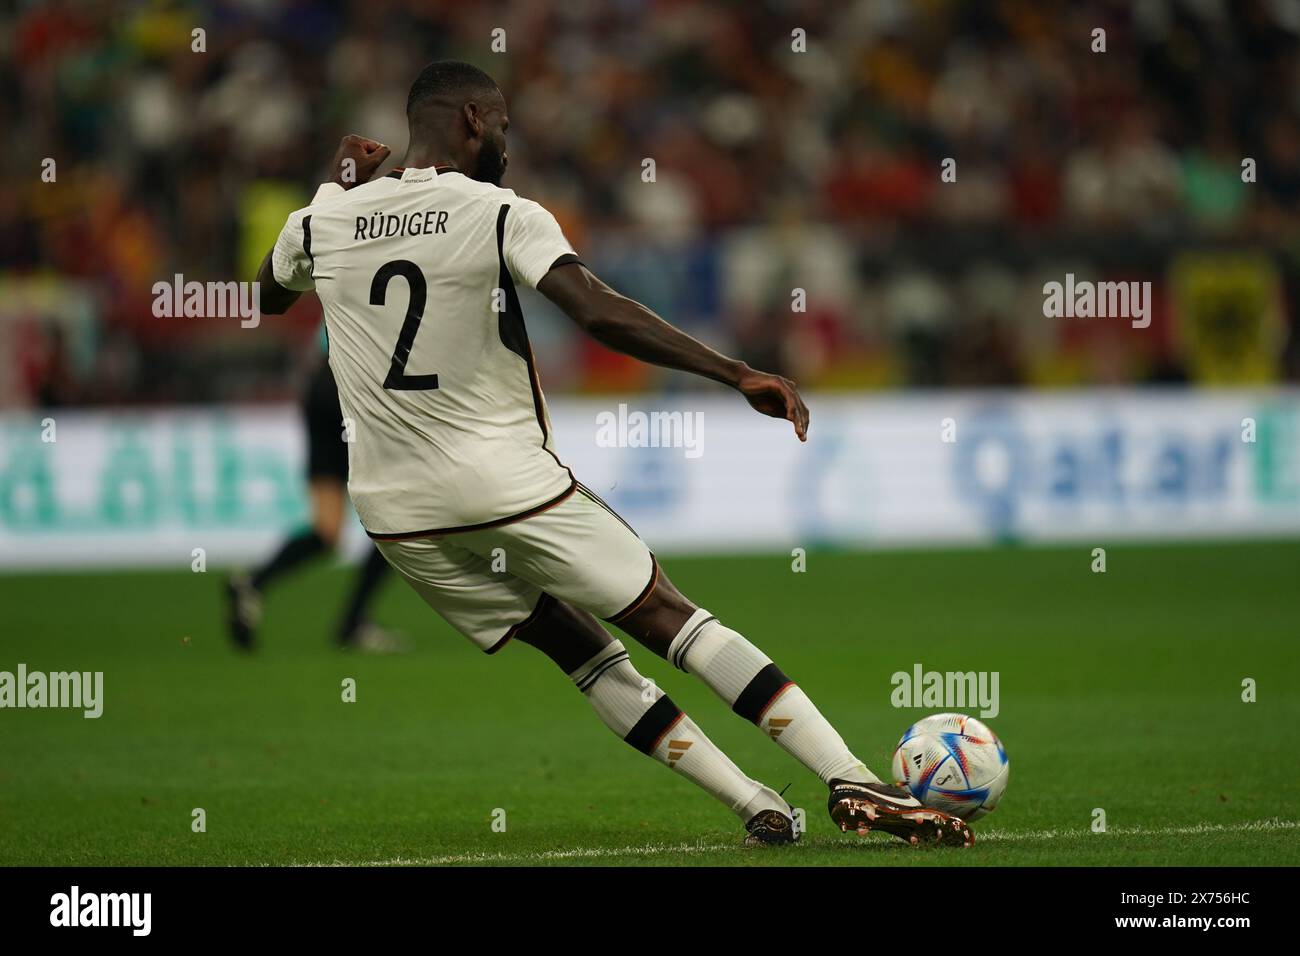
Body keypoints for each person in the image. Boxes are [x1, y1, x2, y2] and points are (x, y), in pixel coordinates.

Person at [253, 60, 972, 847]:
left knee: (580, 653)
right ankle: (851, 778)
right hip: (505, 482)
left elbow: (267, 297)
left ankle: (754, 804)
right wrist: (732, 372)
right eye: (502, 126)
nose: (506, 143)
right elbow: (594, 311)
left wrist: (336, 189)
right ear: (468, 122)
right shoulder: (498, 211)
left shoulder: (324, 218)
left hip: (396, 515)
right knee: (669, 618)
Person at [224, 330, 405, 654]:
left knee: (327, 530)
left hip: (323, 386)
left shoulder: (341, 279)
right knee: (400, 520)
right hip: (355, 388)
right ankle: (352, 623)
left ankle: (253, 584)